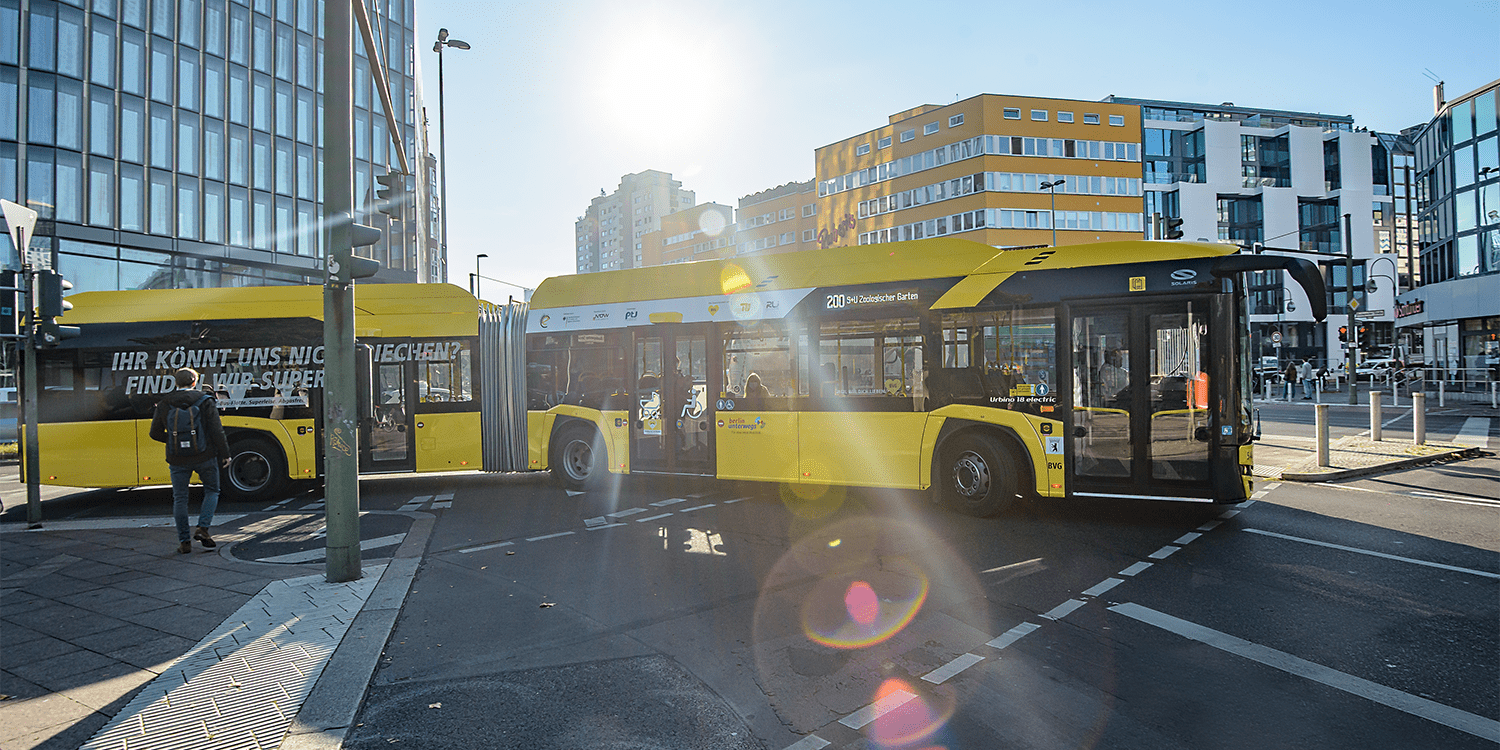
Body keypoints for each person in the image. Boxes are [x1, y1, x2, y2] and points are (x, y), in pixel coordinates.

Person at [150, 368, 231, 554]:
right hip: (205, 456)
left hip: (177, 458)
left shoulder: (164, 403)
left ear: (175, 382)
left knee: (180, 499)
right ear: (194, 381)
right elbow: (216, 430)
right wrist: (225, 453)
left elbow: (154, 433)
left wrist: (172, 440)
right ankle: (203, 528)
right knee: (212, 490)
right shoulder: (205, 400)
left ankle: (184, 542)